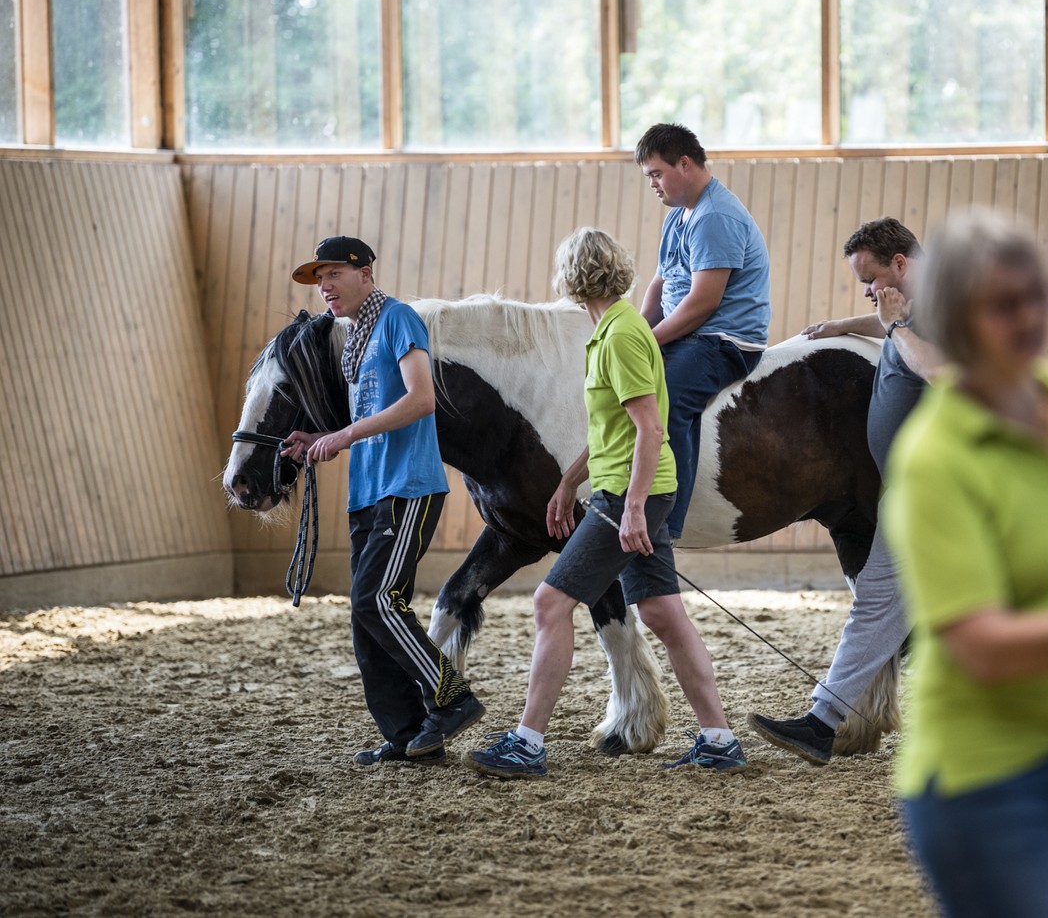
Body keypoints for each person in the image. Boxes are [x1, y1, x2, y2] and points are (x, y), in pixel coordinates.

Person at [882, 209, 1048, 917]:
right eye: (1002, 305)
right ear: (958, 319)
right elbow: (981, 647)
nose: (1028, 318)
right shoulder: (935, 459)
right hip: (986, 778)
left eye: (1037, 297)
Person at [464, 227, 747, 778]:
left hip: (631, 493)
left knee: (549, 603)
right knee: (662, 612)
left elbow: (648, 428)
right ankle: (718, 738)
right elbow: (615, 427)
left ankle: (527, 743)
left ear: (570, 277)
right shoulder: (612, 329)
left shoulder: (618, 336)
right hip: (628, 488)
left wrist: (635, 506)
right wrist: (570, 480)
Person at [282, 236, 485, 765]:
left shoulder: (396, 319)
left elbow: (421, 399)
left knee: (378, 600)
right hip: (367, 493)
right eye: (317, 279)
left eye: (332, 274)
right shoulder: (356, 337)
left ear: (365, 272)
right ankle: (407, 733)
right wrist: (319, 437)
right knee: (364, 613)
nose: (323, 287)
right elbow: (372, 413)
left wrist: (344, 438)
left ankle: (453, 697)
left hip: (407, 487)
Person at [747, 216, 941, 764]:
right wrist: (845, 325)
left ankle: (821, 723)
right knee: (891, 609)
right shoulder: (915, 305)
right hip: (909, 489)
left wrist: (895, 327)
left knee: (877, 603)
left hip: (927, 489)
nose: (867, 290)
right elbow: (898, 323)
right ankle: (822, 723)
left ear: (900, 266)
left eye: (870, 279)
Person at [635, 123, 772, 542]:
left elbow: (703, 303)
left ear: (686, 163)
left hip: (723, 339)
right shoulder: (678, 215)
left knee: (667, 400)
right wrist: (636, 332)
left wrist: (651, 340)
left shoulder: (715, 216)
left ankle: (665, 523)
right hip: (689, 332)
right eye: (649, 178)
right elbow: (660, 283)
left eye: (657, 174)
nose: (654, 186)